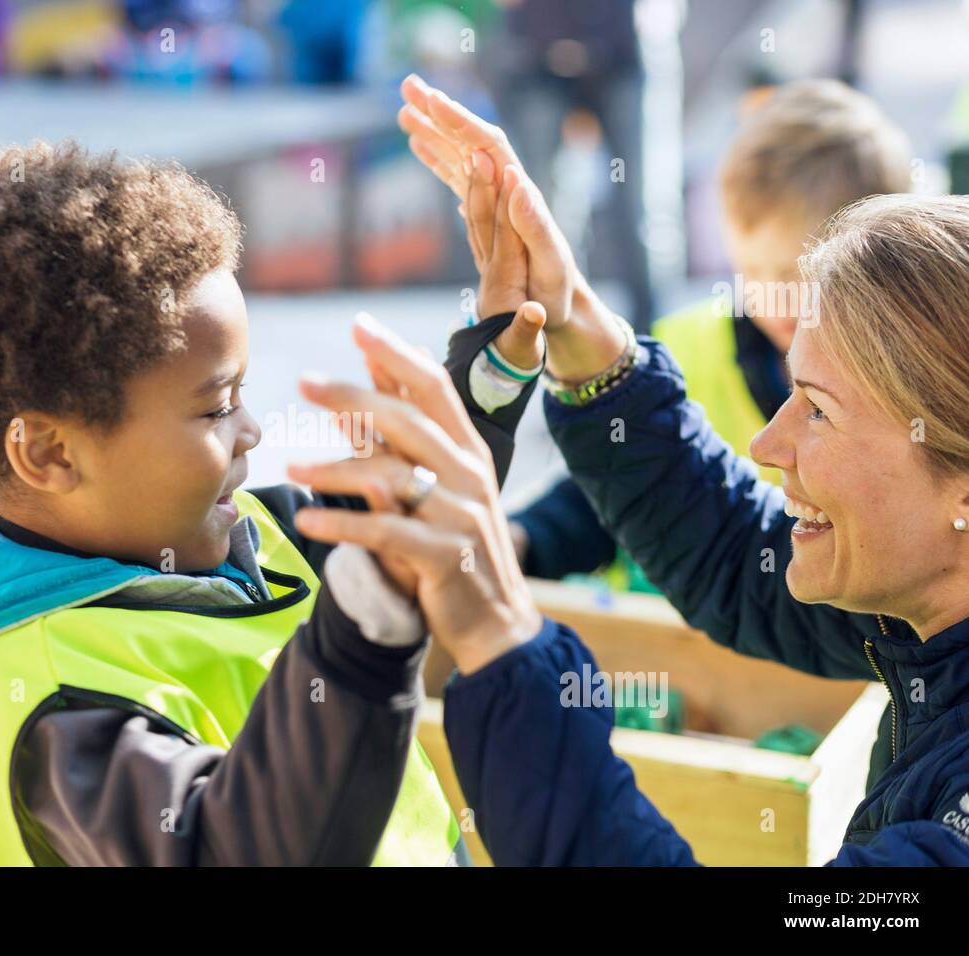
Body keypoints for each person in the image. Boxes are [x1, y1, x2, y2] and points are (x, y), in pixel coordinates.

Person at [350, 76, 969, 865]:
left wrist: (506, 646)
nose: (767, 444)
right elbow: (743, 556)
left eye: (818, 409)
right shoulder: (928, 602)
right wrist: (571, 314)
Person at [0, 141, 542, 866]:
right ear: (49, 454)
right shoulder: (50, 699)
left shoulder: (257, 536)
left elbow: (404, 517)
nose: (250, 430)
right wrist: (366, 634)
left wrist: (492, 366)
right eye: (215, 408)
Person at [495, 79, 911, 591]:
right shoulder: (682, 348)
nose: (771, 295)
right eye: (750, 270)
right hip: (662, 655)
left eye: (797, 271)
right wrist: (524, 541)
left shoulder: (907, 385)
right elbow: (616, 482)